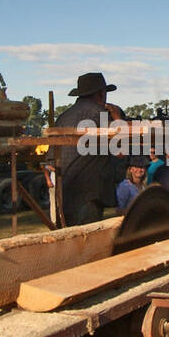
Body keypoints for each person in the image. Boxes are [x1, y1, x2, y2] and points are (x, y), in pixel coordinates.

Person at [54, 72, 126, 226]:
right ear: (101, 93)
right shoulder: (101, 114)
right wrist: (118, 119)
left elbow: (51, 158)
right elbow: (121, 150)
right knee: (86, 242)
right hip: (89, 194)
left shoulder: (62, 117)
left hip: (63, 193)